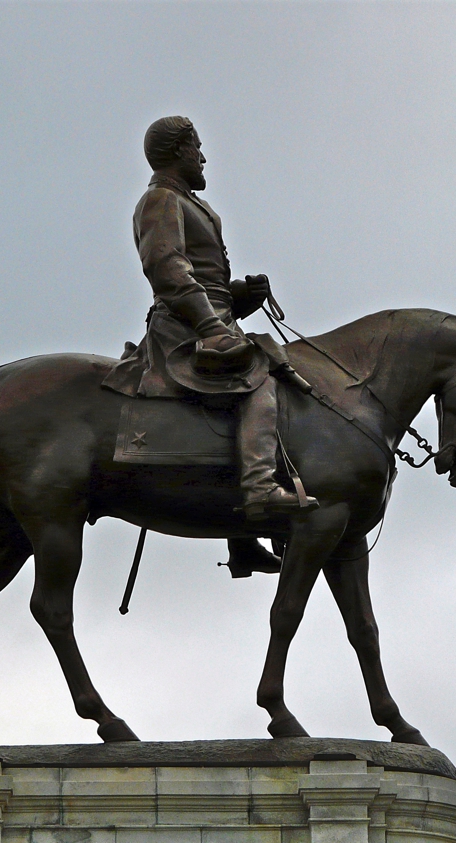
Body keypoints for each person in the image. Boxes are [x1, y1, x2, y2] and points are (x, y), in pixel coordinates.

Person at [103, 116, 313, 570]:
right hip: (182, 328)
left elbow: (206, 283)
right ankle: (259, 490)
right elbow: (167, 267)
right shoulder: (159, 200)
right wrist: (211, 325)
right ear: (178, 151)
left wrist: (239, 298)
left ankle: (240, 538)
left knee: (264, 381)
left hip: (211, 319)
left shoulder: (196, 207)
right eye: (196, 147)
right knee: (259, 381)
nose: (203, 156)